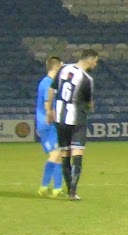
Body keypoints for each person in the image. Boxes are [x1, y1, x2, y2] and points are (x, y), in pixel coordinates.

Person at [53, 49, 100, 201]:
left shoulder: (63, 69)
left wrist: (49, 109)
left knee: (65, 155)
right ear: (89, 59)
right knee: (77, 155)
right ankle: (73, 192)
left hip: (60, 118)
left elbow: (53, 89)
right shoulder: (87, 79)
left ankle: (69, 190)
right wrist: (89, 107)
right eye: (95, 61)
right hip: (77, 119)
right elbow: (89, 103)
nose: (95, 64)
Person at [35, 55, 65, 197]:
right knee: (56, 153)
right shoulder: (47, 83)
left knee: (59, 155)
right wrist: (49, 114)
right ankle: (44, 185)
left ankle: (57, 188)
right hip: (48, 123)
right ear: (56, 67)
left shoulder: (49, 82)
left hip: (50, 123)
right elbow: (48, 102)